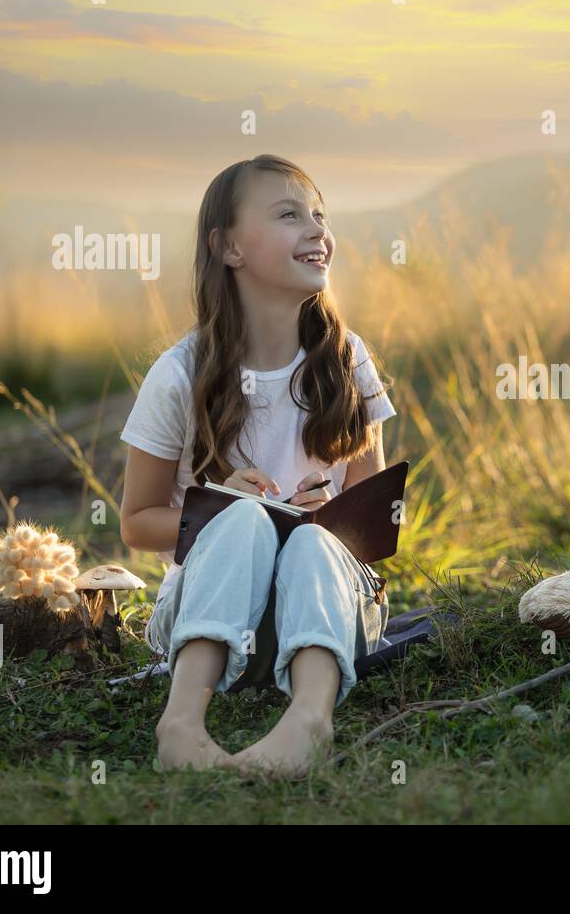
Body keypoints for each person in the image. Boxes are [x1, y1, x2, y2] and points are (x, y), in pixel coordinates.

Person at [118, 154, 396, 778]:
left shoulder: (348, 360)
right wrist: (220, 505)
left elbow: (373, 525)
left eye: (319, 214)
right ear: (228, 247)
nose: (317, 229)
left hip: (323, 608)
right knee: (241, 523)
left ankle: (309, 720)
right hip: (208, 618)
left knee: (313, 542)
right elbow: (137, 524)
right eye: (288, 214)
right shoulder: (179, 374)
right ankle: (182, 722)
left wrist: (329, 517)